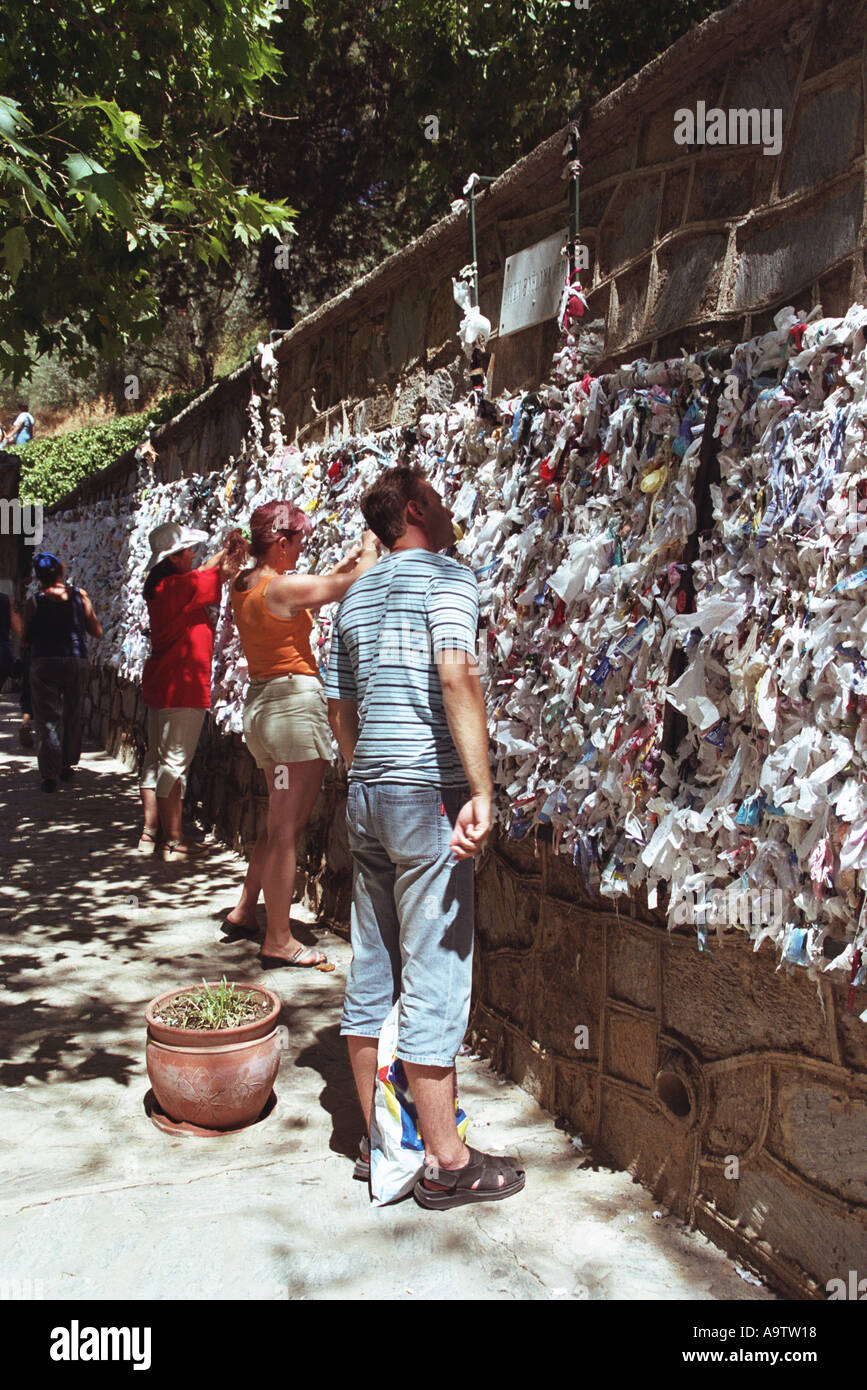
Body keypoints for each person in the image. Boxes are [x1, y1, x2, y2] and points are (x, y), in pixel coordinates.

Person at [325, 464, 525, 1207]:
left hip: (368, 794)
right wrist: (479, 789)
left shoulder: (354, 596)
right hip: (424, 795)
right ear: (412, 509)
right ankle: (445, 1159)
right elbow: (455, 674)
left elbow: (339, 705)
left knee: (371, 966)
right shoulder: (446, 573)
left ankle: (379, 1143)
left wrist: (361, 778)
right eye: (437, 500)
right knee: (436, 969)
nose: (446, 511)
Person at [223, 500, 379, 966]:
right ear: (282, 540)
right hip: (292, 712)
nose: (302, 550)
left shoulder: (245, 584)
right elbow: (346, 585)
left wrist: (342, 562)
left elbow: (313, 587)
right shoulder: (282, 587)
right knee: (287, 829)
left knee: (277, 822)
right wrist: (371, 547)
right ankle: (278, 938)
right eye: (300, 542)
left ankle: (245, 910)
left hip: (265, 712)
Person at [139, 522, 230, 861]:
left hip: (162, 685)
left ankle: (150, 832)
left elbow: (205, 572)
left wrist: (223, 549)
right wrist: (235, 544)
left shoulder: (164, 587)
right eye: (188, 550)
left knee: (155, 761)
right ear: (175, 558)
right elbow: (218, 572)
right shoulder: (178, 587)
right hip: (184, 685)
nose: (194, 555)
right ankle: (173, 840)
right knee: (174, 765)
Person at [23, 552, 102, 792]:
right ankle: (67, 765)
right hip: (75, 661)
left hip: (43, 662)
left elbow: (26, 638)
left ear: (39, 577)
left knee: (47, 720)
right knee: (72, 713)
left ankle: (49, 775)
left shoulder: (34, 601)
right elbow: (96, 630)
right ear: (59, 570)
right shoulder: (80, 596)